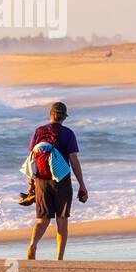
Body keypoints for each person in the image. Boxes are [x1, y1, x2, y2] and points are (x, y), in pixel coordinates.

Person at [25, 101, 88, 260]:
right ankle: (59, 258)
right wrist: (82, 184)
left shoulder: (39, 131)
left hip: (41, 180)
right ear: (64, 117)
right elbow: (73, 160)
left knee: (42, 220)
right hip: (61, 180)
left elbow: (32, 159)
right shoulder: (68, 134)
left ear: (50, 115)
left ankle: (33, 244)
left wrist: (31, 184)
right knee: (62, 220)